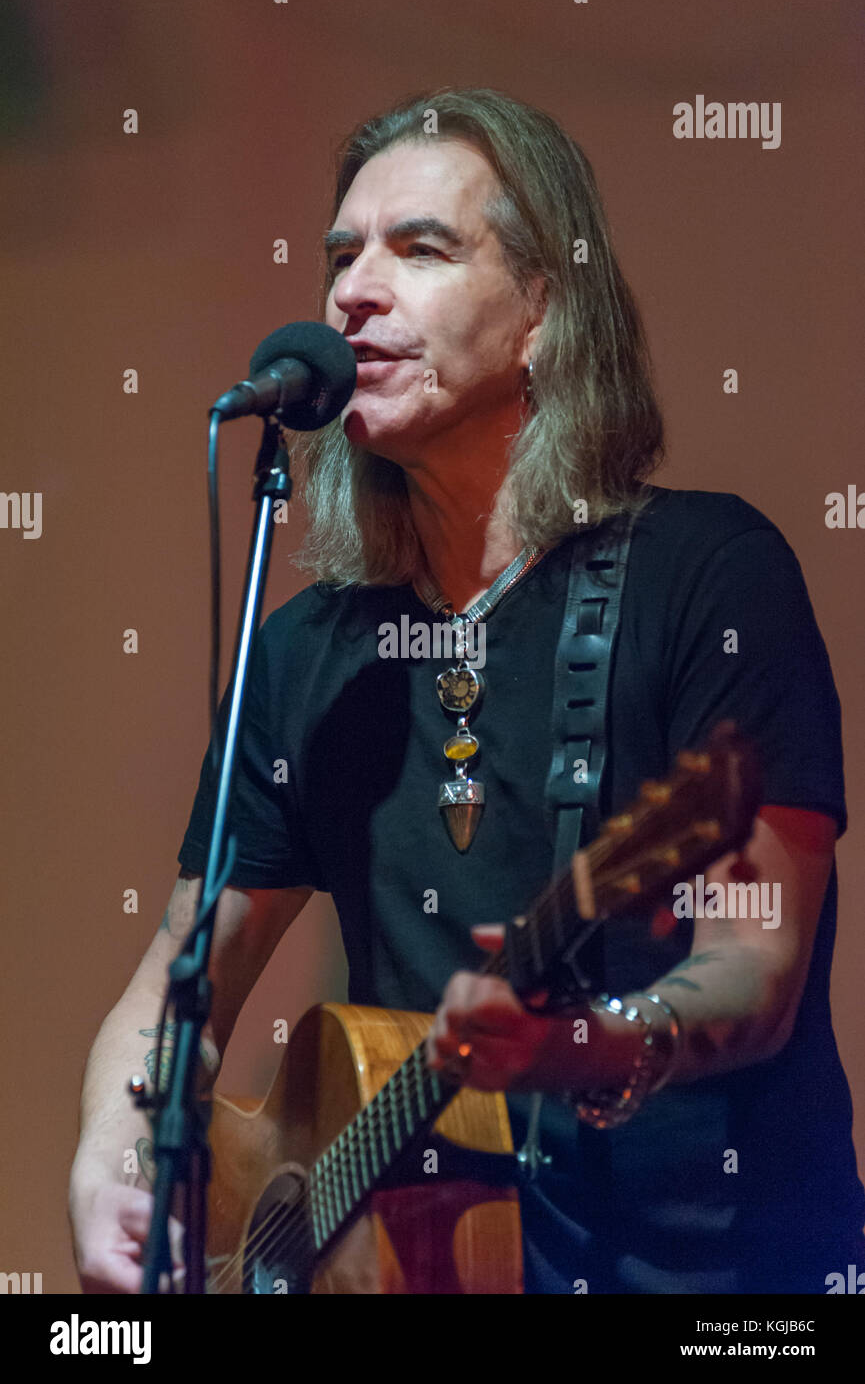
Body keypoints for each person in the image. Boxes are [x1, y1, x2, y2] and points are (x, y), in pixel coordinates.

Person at [69, 87, 864, 1294]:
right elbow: (174, 984)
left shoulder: (704, 574)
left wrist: (576, 1045)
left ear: (544, 310)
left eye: (420, 249)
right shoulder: (305, 657)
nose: (352, 292)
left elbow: (754, 968)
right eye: (342, 256)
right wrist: (113, 1159)